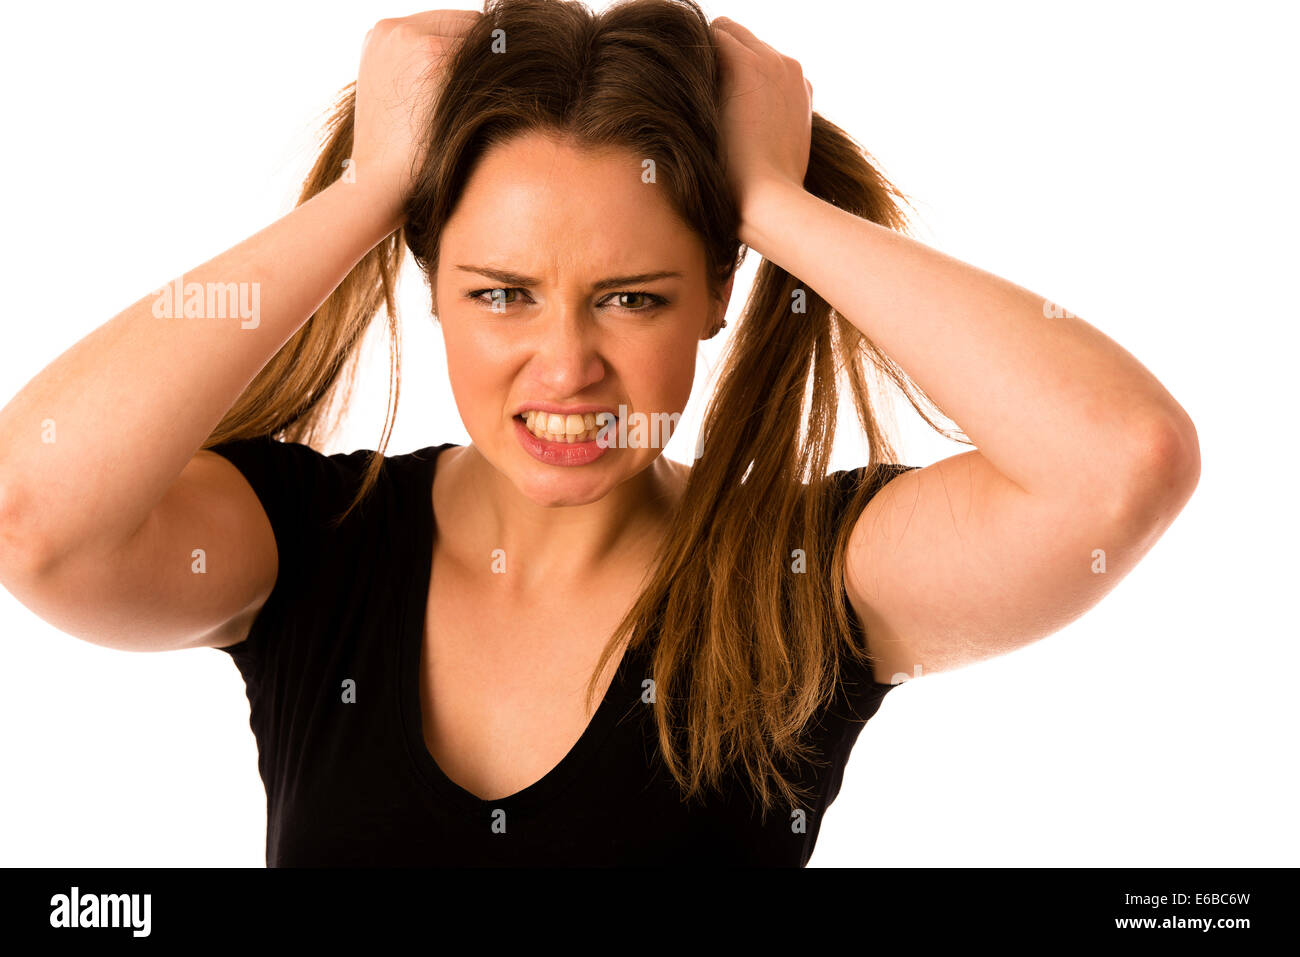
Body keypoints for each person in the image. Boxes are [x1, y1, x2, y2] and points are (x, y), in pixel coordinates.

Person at [0, 0, 1199, 866]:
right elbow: (31, 518)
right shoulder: (313, 546)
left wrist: (772, 201)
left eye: (633, 297)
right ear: (427, 279)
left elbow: (1118, 465)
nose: (567, 367)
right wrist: (370, 191)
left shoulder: (800, 582)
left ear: (722, 290)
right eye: (501, 292)